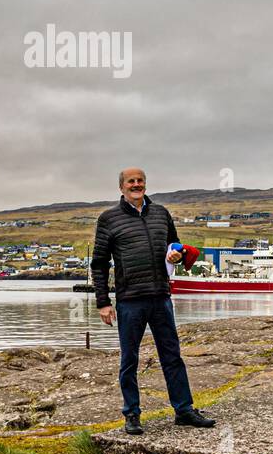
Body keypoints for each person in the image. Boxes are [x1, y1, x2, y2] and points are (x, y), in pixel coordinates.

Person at [90, 167, 215, 435]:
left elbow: (175, 246)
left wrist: (177, 256)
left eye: (140, 181)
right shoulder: (109, 219)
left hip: (161, 296)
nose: (136, 185)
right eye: (131, 181)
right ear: (121, 187)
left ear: (145, 184)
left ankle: (184, 410)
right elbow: (99, 264)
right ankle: (132, 414)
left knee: (172, 356)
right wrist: (103, 302)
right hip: (129, 300)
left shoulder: (161, 214)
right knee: (129, 359)